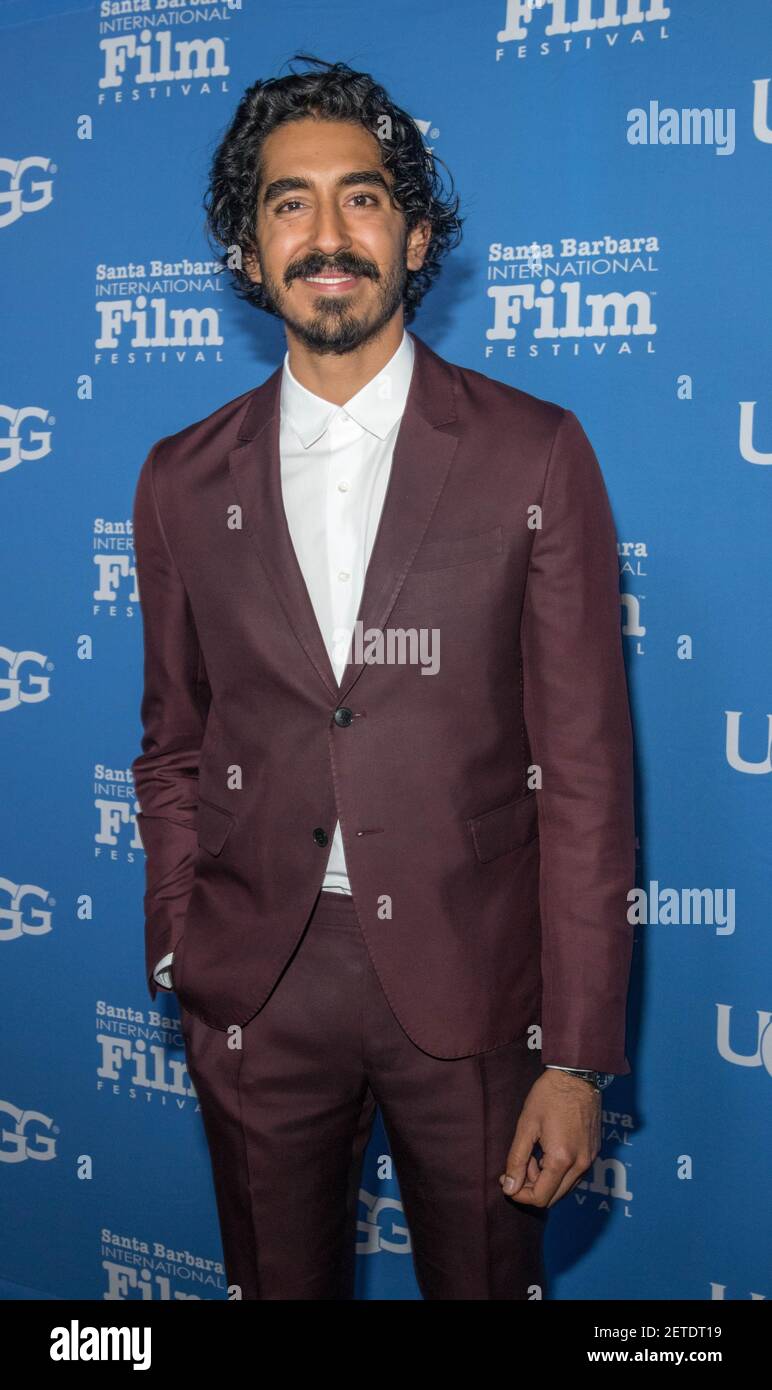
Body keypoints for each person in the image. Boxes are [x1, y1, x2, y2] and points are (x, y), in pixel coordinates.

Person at [131, 54, 636, 1300]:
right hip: (257, 984)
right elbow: (175, 740)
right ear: (247, 252)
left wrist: (573, 1060)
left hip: (473, 993)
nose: (326, 234)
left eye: (361, 198)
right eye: (287, 203)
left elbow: (583, 774)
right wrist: (175, 943)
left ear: (415, 235)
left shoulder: (535, 453)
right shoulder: (180, 479)